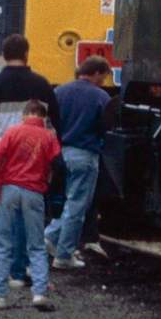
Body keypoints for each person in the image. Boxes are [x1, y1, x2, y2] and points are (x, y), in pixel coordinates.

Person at [0, 35, 62, 287]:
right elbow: (53, 125)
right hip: (35, 155)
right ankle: (22, 267)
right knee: (29, 214)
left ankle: (13, 268)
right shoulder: (42, 84)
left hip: (4, 154)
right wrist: (54, 158)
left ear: (5, 55)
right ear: (27, 54)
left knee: (6, 212)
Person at [0, 100, 60, 311]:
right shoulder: (49, 136)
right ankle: (39, 293)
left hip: (9, 190)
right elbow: (58, 163)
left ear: (25, 114)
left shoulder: (12, 131)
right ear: (43, 117)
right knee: (35, 245)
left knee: (1, 243)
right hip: (35, 192)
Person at [42, 56, 111, 269]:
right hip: (85, 155)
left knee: (67, 202)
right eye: (104, 76)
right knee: (77, 206)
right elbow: (105, 127)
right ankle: (64, 255)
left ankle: (49, 239)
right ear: (97, 73)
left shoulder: (59, 92)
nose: (104, 81)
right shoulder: (101, 96)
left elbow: (48, 122)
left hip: (61, 153)